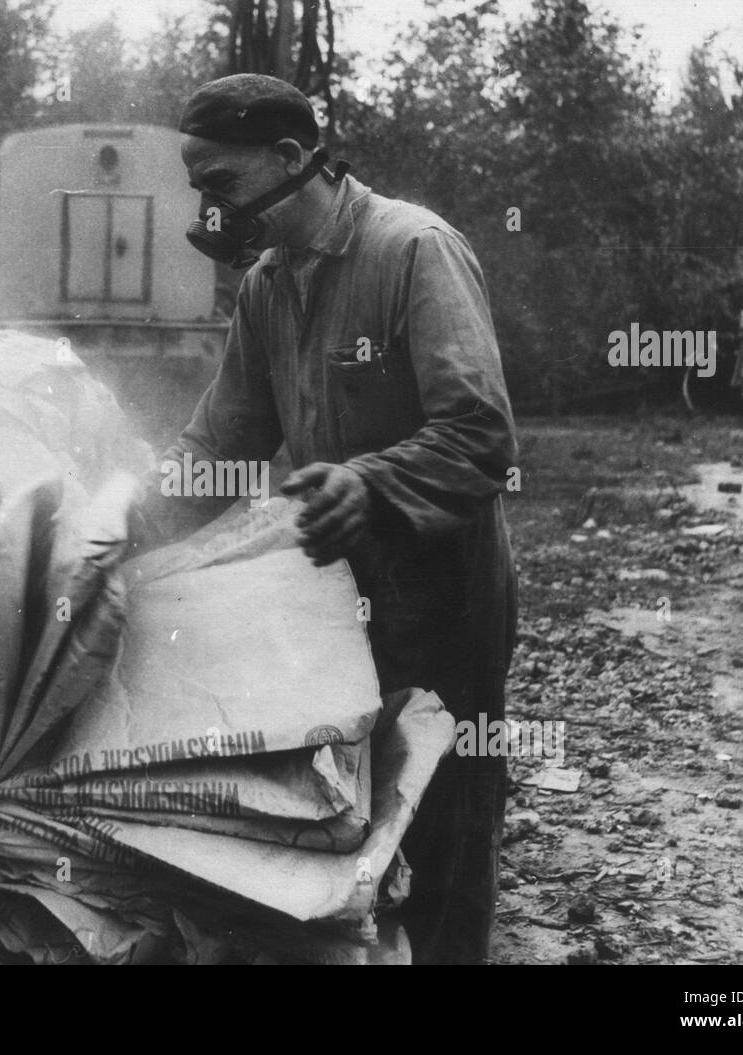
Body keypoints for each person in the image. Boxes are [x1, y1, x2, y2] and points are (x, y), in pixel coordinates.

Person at [135, 73, 518, 964]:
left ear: (289, 159)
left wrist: (370, 485)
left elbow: (481, 434)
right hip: (339, 605)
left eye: (222, 186)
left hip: (444, 598)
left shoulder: (415, 250)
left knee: (445, 827)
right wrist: (114, 525)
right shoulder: (269, 285)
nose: (212, 212)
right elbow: (219, 445)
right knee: (348, 820)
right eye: (199, 191)